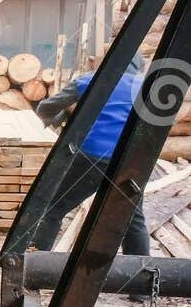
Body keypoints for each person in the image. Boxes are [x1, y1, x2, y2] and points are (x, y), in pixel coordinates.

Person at [27, 54, 151, 256]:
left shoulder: (88, 79)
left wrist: (62, 120)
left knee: (55, 209)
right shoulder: (145, 88)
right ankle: (140, 277)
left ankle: (36, 265)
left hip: (91, 158)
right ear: (138, 68)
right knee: (132, 220)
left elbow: (44, 108)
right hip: (129, 162)